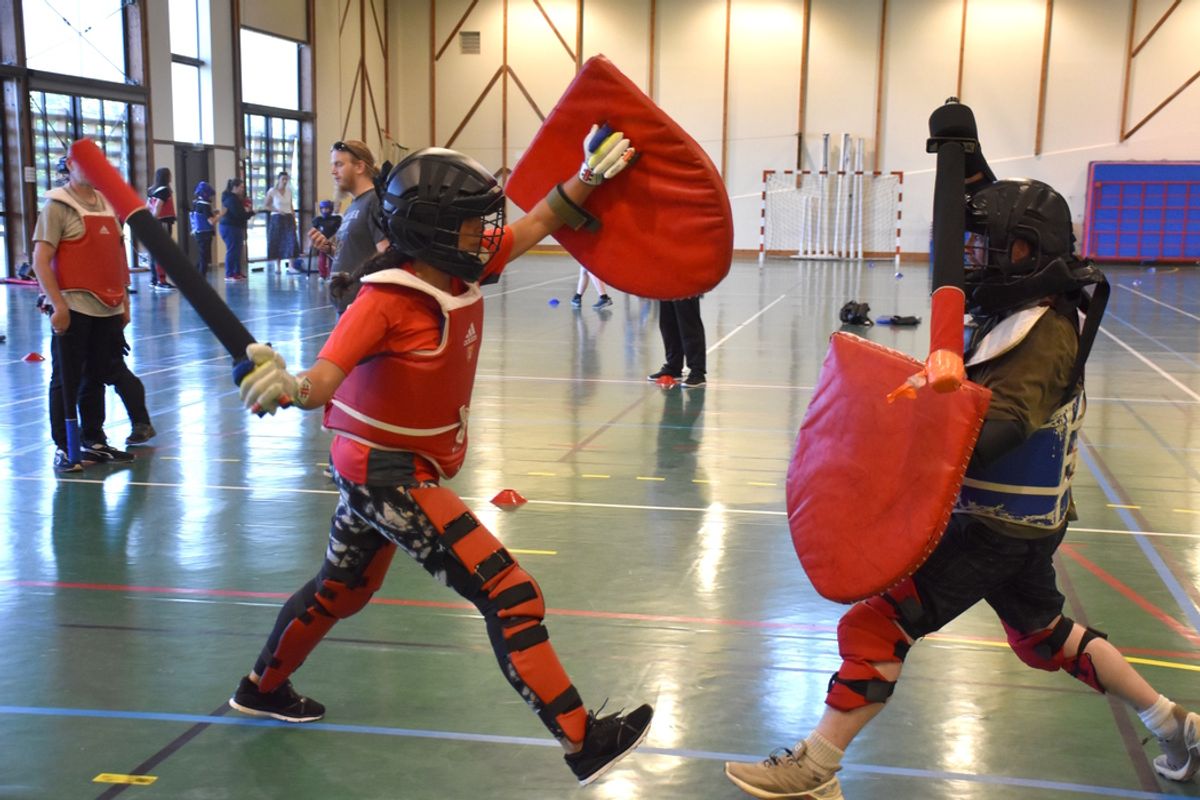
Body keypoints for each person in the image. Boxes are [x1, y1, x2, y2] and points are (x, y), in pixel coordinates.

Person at [724, 179, 1199, 800]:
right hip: (1015, 521)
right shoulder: (1028, 313)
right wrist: (961, 153)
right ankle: (1175, 724)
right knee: (1045, 636)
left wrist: (903, 423)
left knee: (878, 625)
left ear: (1027, 250)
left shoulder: (1047, 331)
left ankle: (815, 768)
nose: (977, 259)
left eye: (991, 247)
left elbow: (995, 431)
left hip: (996, 524)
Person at [230, 129, 652, 786]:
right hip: (386, 474)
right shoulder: (384, 302)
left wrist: (588, 178)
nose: (489, 234)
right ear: (432, 231)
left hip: (386, 468)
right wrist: (287, 386)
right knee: (511, 595)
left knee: (341, 588)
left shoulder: (462, 268)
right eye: (472, 224)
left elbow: (543, 216)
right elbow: (321, 382)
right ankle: (581, 739)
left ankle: (261, 688)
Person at [31, 154, 135, 471]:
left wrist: (124, 302)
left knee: (96, 377)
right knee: (67, 377)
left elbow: (117, 255)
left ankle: (94, 440)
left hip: (107, 306)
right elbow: (39, 259)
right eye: (83, 164)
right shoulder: (57, 207)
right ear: (70, 168)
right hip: (73, 305)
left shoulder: (107, 205)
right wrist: (58, 305)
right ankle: (65, 447)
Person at [308, 140, 389, 313]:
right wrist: (327, 248)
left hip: (363, 308)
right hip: (347, 307)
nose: (333, 171)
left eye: (339, 164)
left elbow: (387, 255)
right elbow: (352, 253)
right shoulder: (354, 205)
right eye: (333, 165)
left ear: (359, 166)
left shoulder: (374, 201)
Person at [646, 296, 707, 388]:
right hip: (667, 283)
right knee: (667, 321)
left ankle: (697, 371)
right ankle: (673, 366)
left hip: (687, 283)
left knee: (688, 320)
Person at [264, 171, 302, 273]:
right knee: (277, 241)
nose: (285, 181)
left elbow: (290, 205)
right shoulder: (272, 191)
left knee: (291, 241)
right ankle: (278, 266)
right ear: (279, 180)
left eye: (286, 179)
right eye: (283, 179)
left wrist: (294, 218)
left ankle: (291, 266)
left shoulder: (289, 191)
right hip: (277, 218)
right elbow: (266, 205)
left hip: (288, 217)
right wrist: (277, 210)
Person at [147, 167, 177, 290]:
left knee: (154, 253)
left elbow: (147, 205)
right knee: (162, 252)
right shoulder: (164, 191)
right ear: (167, 176)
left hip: (156, 223)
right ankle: (162, 281)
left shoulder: (152, 190)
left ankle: (154, 280)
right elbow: (157, 207)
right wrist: (153, 222)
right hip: (162, 223)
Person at [218, 178, 253, 281]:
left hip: (235, 227)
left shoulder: (236, 199)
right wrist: (250, 213)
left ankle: (237, 272)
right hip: (230, 227)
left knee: (238, 250)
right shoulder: (231, 199)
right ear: (235, 187)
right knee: (232, 250)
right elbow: (239, 215)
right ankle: (229, 273)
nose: (242, 189)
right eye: (241, 187)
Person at [189, 180, 220, 276]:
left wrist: (213, 213)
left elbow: (201, 216)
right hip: (205, 233)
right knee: (204, 257)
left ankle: (196, 272)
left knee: (202, 255)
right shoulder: (205, 205)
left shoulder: (197, 203)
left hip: (198, 232)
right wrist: (220, 215)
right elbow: (211, 221)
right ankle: (202, 275)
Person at [309, 199, 342, 280]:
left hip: (333, 241)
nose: (325, 210)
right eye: (323, 208)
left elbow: (340, 230)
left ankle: (331, 274)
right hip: (322, 242)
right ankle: (322, 275)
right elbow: (313, 230)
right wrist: (311, 241)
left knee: (332, 259)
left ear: (330, 209)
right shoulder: (318, 220)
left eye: (327, 208)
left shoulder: (336, 219)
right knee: (322, 259)